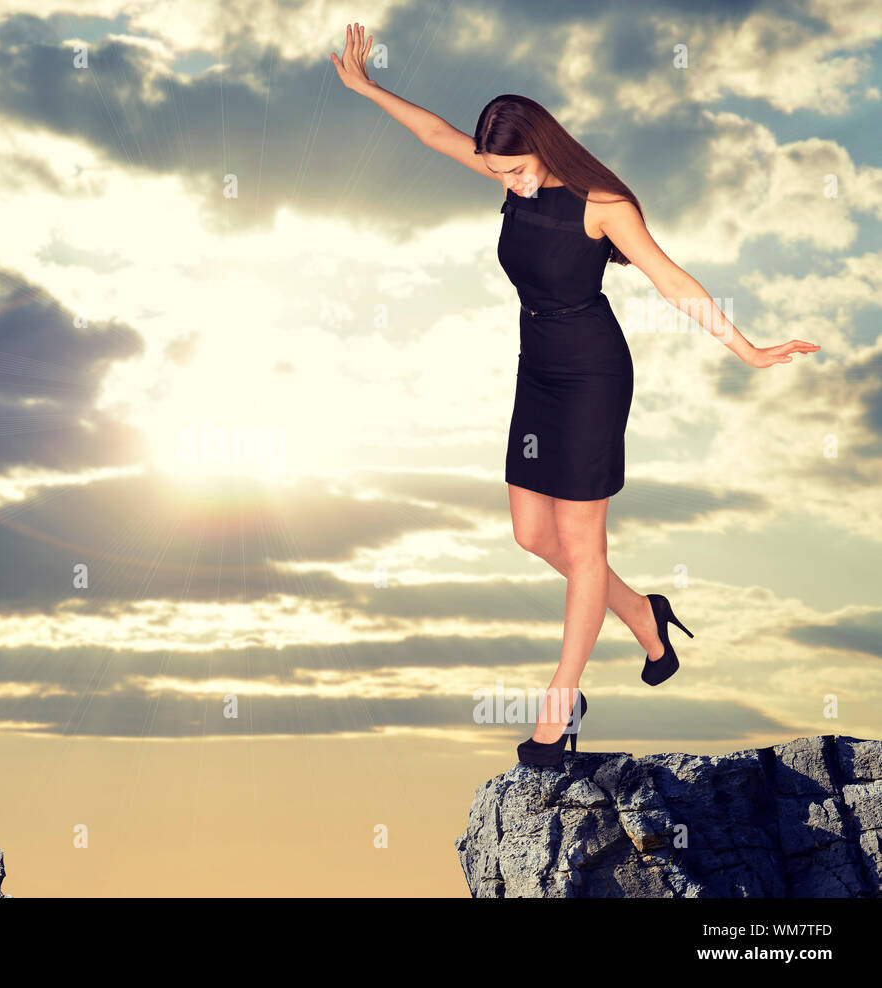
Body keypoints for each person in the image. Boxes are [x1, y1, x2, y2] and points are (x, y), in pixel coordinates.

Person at [330, 23, 819, 767]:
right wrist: (366, 88)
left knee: (585, 546)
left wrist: (747, 349)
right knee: (533, 534)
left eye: (519, 170)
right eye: (500, 173)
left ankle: (559, 708)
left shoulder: (602, 203)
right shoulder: (507, 172)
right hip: (537, 370)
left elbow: (672, 280)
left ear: (544, 148)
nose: (511, 183)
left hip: (593, 373)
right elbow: (433, 133)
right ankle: (643, 614)